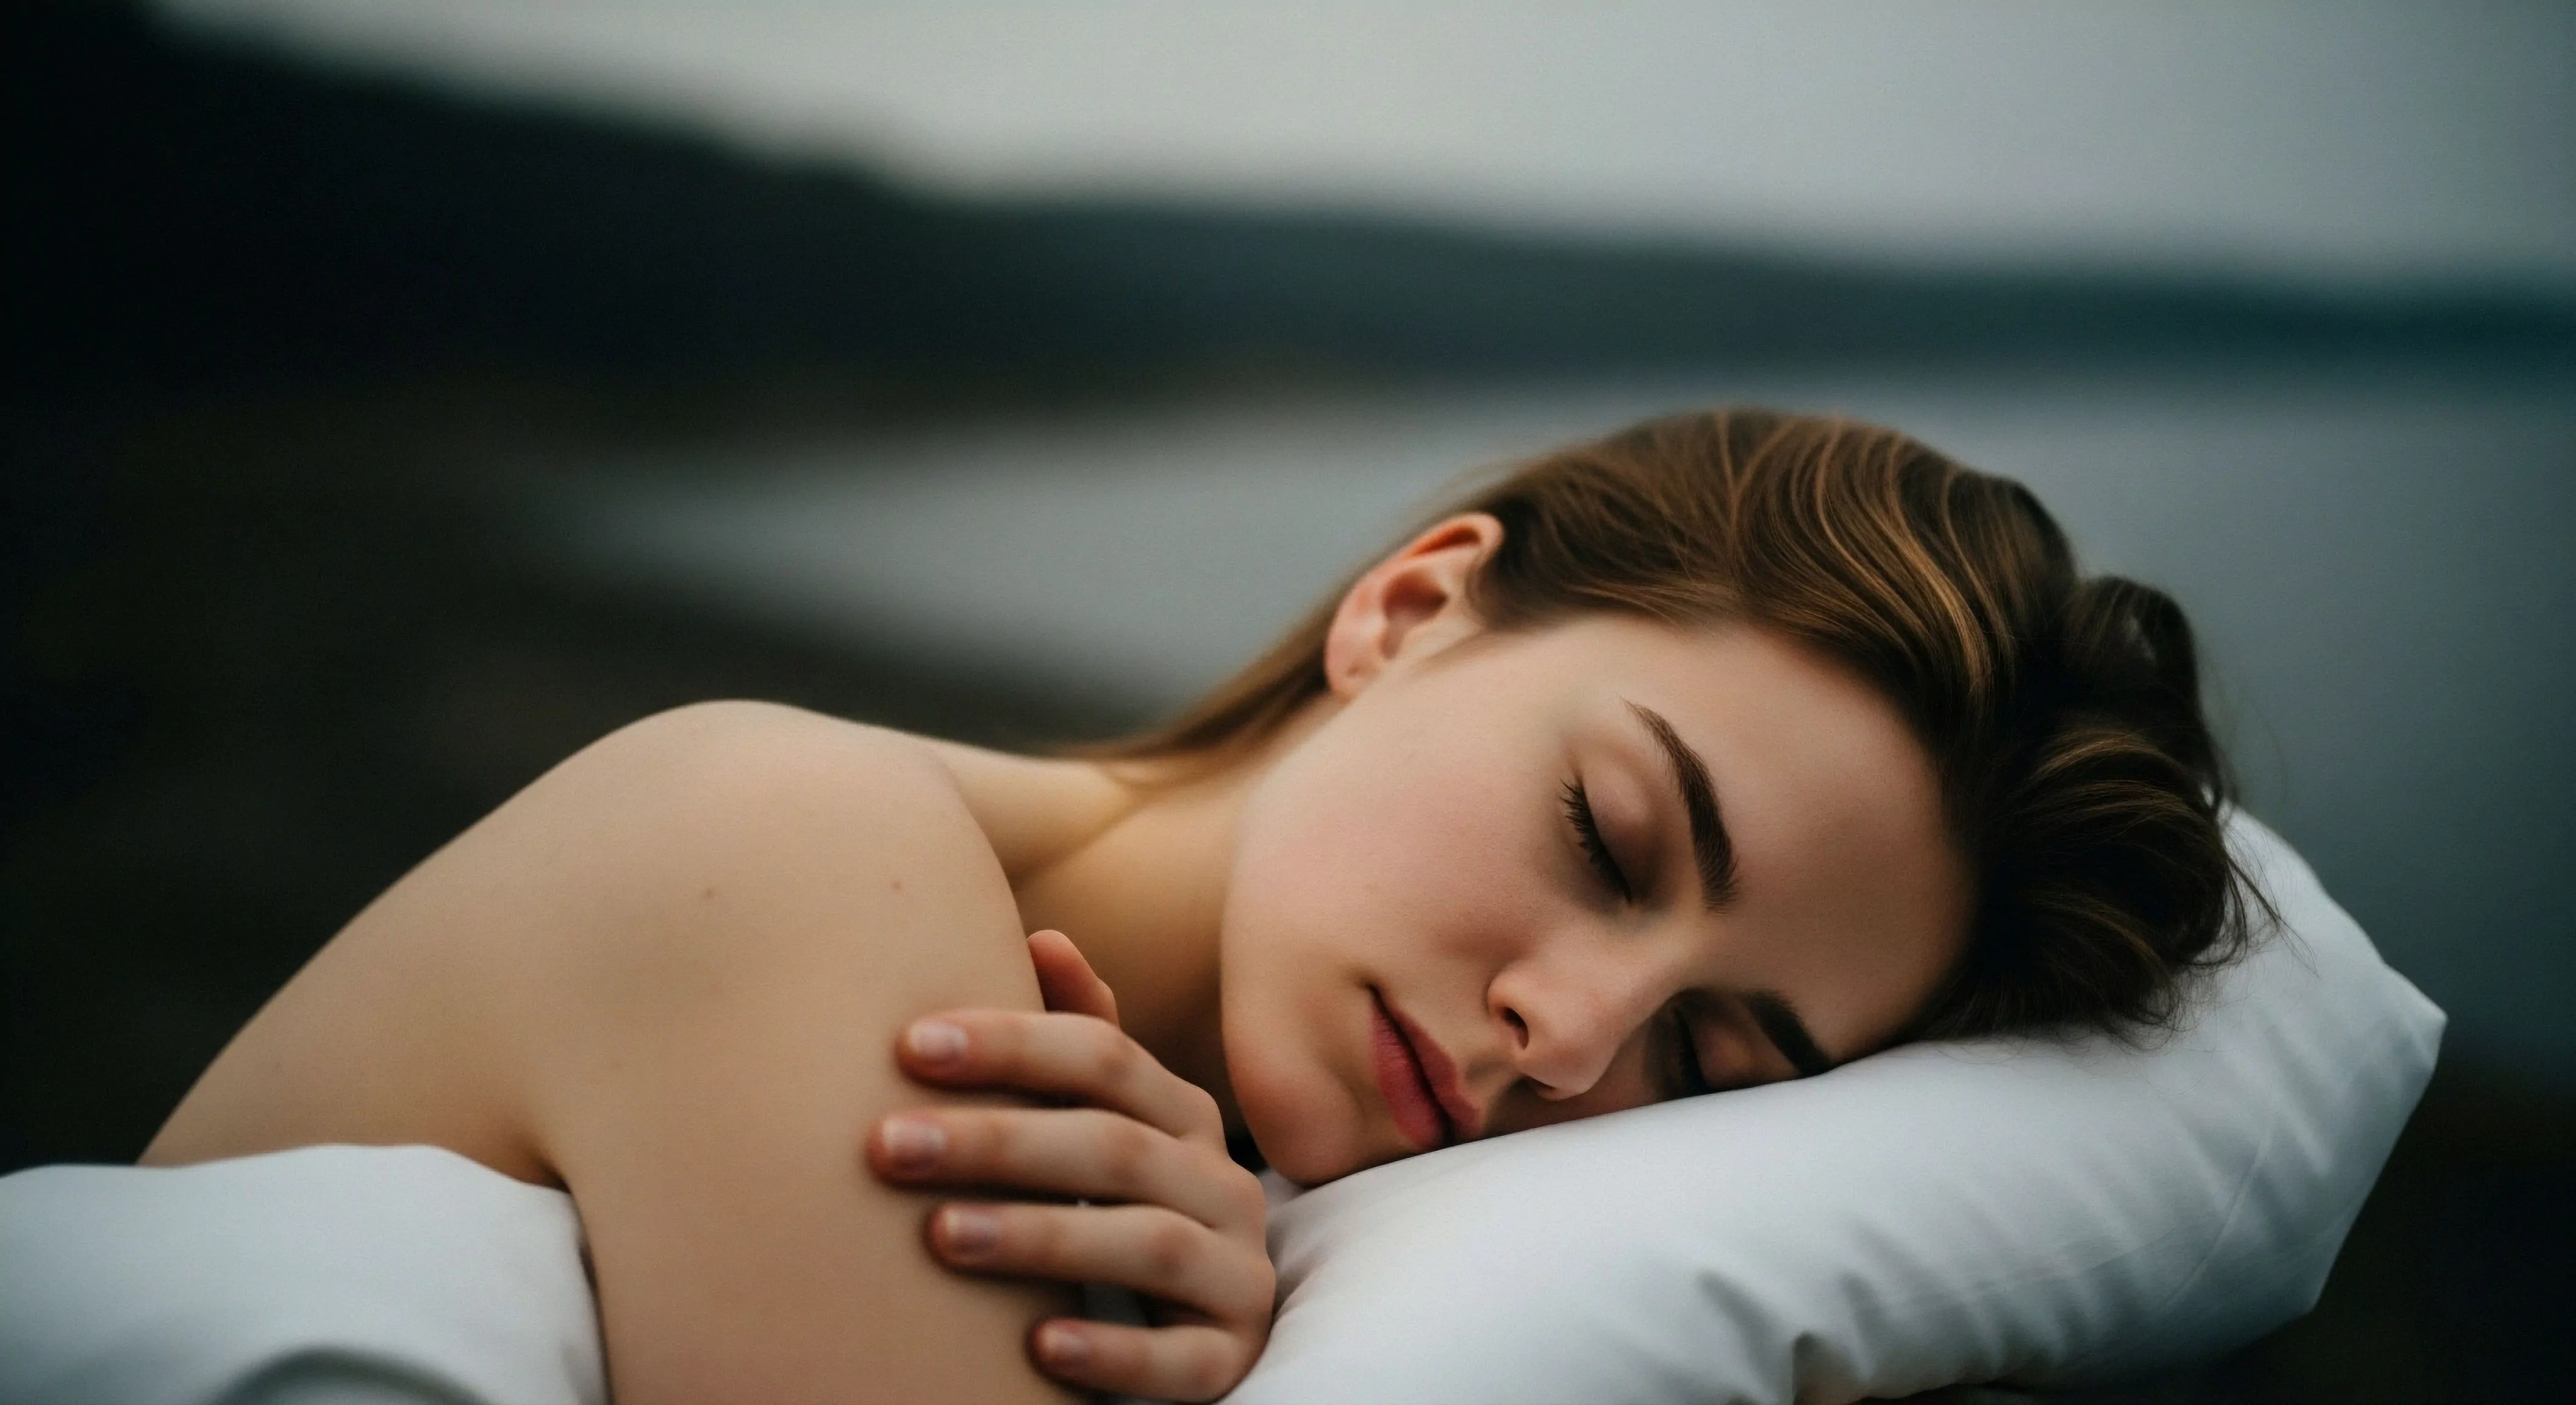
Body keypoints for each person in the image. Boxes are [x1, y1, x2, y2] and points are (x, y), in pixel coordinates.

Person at [139, 409, 2249, 1404]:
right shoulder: (795, 853)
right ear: (1414, 612)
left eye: (1716, 1056)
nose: (1579, 1037)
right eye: (1614, 836)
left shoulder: (1208, 1201)